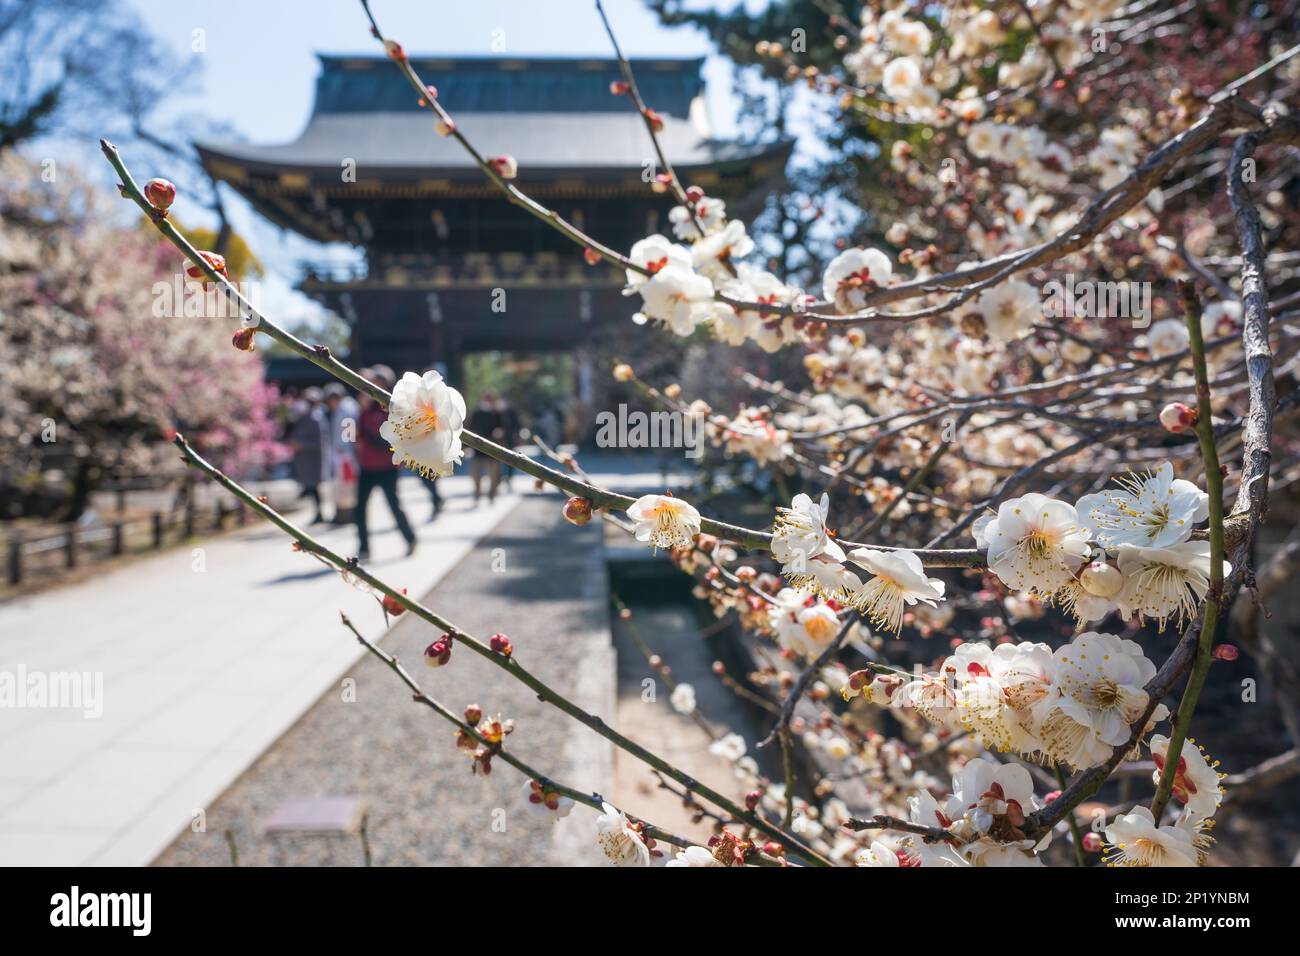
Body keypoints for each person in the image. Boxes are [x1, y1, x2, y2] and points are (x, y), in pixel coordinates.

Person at [354, 365, 417, 560]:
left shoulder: (394, 409)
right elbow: (356, 434)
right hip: (367, 466)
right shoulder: (365, 409)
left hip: (387, 467)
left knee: (393, 504)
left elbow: (392, 438)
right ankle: (364, 547)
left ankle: (410, 537)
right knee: (360, 508)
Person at [288, 388, 329, 524]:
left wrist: (302, 445)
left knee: (313, 487)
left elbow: (319, 441)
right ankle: (317, 513)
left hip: (313, 460)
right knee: (310, 487)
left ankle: (319, 514)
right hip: (304, 460)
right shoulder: (302, 416)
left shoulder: (316, 418)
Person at [323, 383, 360, 524]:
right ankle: (343, 515)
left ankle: (347, 516)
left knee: (347, 487)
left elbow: (349, 433)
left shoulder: (346, 409)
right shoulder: (344, 408)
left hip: (345, 454)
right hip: (342, 452)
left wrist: (344, 448)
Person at [468, 389, 505, 505]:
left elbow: (503, 427)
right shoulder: (476, 413)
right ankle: (477, 493)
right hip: (477, 448)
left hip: (492, 449)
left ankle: (492, 494)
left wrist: (499, 433)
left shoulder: (497, 413)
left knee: (494, 475)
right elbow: (469, 428)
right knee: (476, 474)